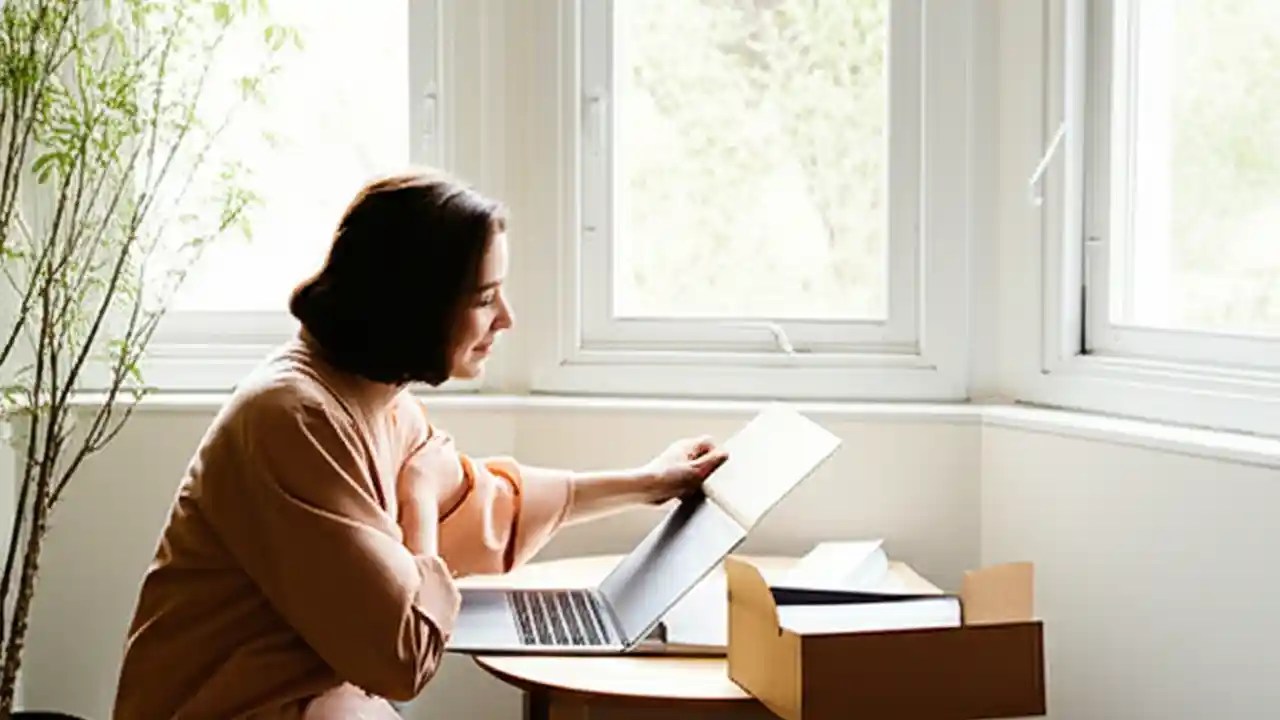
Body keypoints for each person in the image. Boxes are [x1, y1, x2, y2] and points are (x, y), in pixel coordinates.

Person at [112, 169, 728, 719]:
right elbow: (402, 656)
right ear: (415, 303)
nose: (506, 318)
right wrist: (418, 494)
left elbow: (488, 504)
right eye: (486, 298)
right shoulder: (292, 418)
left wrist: (649, 482)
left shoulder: (378, 398)